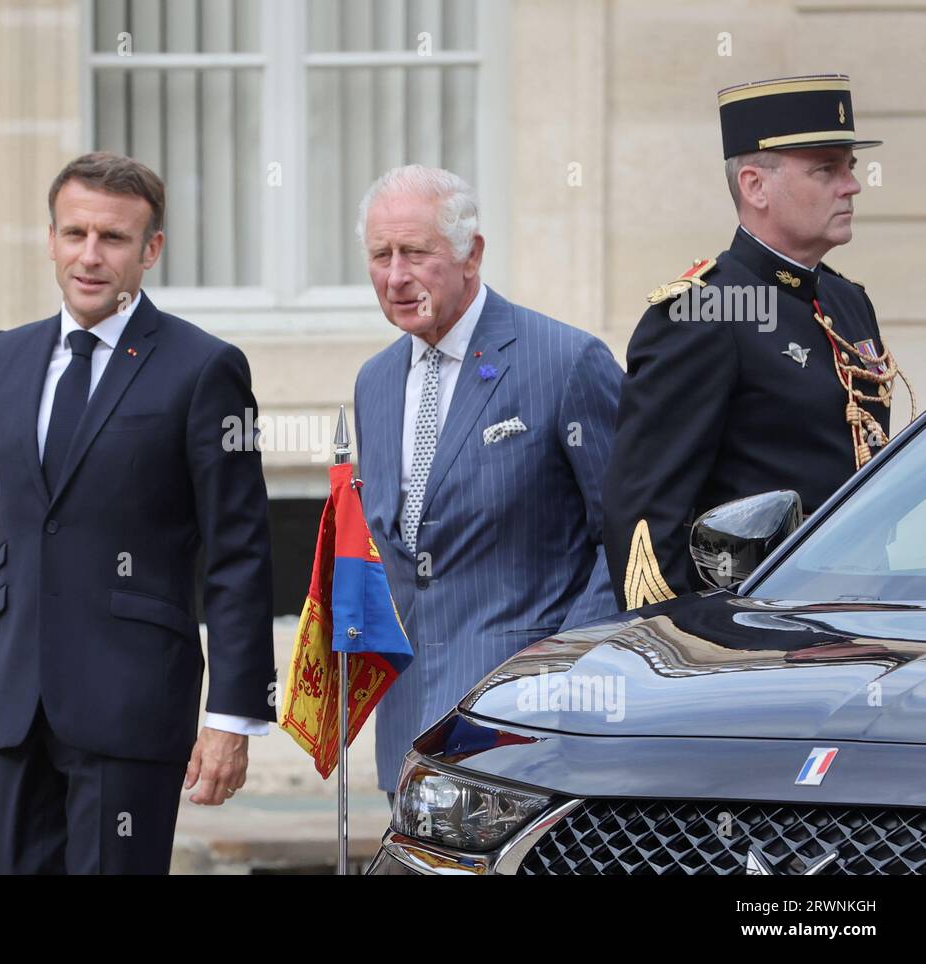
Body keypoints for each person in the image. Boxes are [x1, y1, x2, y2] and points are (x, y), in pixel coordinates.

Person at [0, 151, 277, 874]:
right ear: (52, 238)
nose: (89, 256)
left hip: (132, 712)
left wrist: (231, 717)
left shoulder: (203, 368)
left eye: (114, 239)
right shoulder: (3, 358)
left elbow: (239, 554)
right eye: (75, 234)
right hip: (15, 709)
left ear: (150, 250)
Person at [353, 165, 621, 797]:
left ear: (471, 254)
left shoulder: (566, 361)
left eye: (416, 253)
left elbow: (627, 542)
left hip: (525, 731)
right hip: (409, 736)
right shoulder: (376, 381)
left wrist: (557, 678)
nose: (395, 276)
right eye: (380, 256)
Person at [603, 74, 913, 611]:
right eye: (826, 169)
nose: (852, 185)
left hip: (856, 615)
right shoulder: (702, 309)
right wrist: (685, 642)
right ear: (754, 186)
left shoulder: (845, 301)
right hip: (759, 635)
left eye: (850, 167)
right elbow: (644, 514)